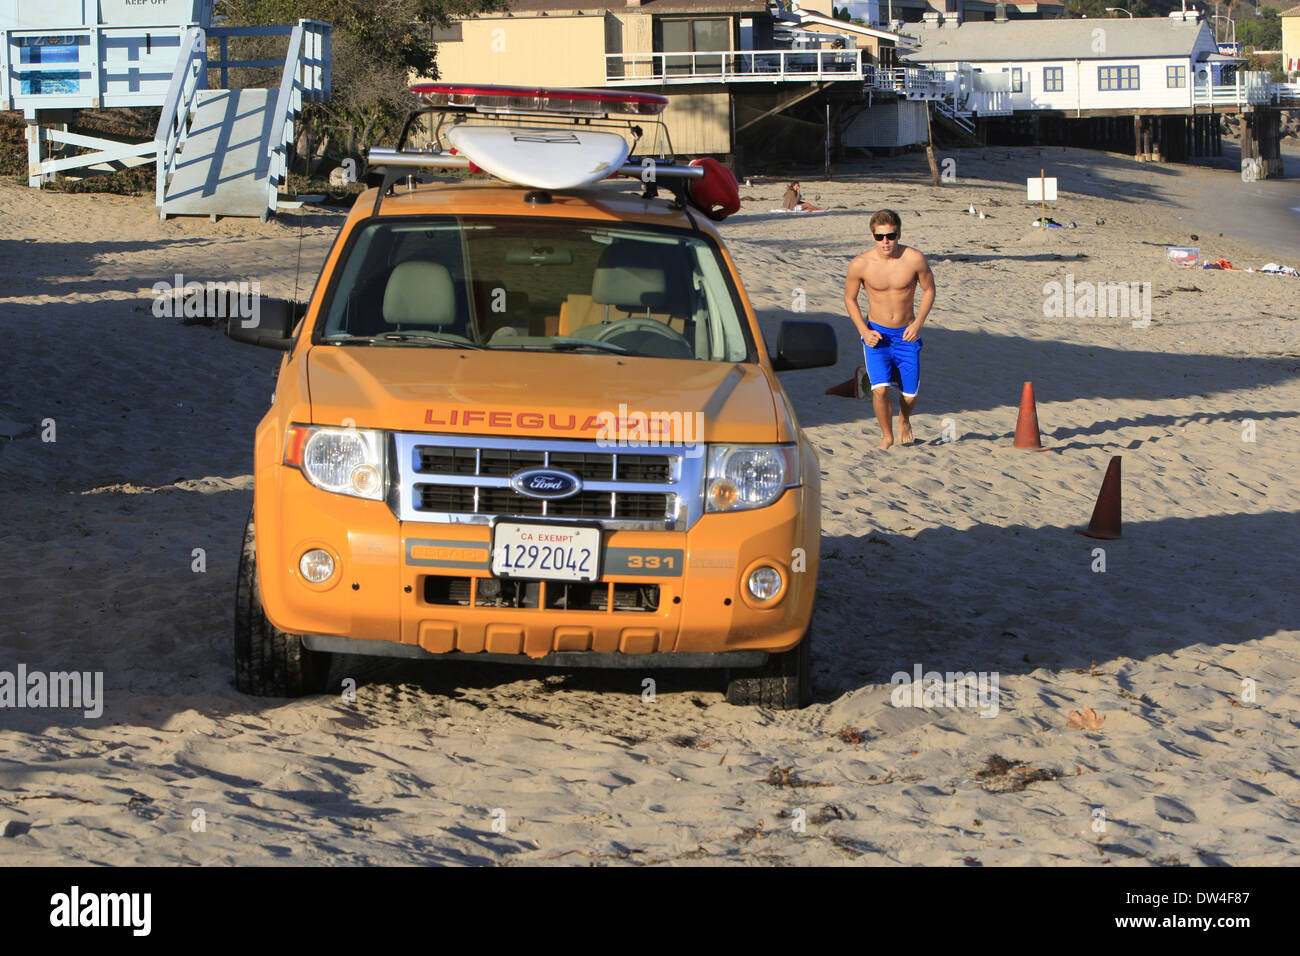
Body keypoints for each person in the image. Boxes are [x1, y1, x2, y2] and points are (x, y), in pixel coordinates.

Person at [844, 209, 936, 450]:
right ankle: (887, 436)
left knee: (909, 396)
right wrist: (863, 331)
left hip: (907, 334)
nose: (886, 241)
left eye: (891, 236)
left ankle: (904, 418)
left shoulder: (914, 258)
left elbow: (929, 290)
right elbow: (850, 299)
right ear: (872, 235)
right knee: (881, 390)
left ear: (899, 233)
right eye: (880, 236)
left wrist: (918, 324)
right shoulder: (861, 264)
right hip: (877, 336)